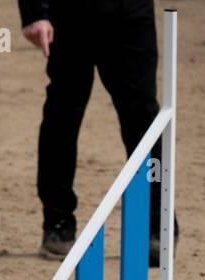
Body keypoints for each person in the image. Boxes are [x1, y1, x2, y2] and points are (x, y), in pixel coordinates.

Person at [20, 0, 174, 263]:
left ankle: (156, 224)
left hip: (131, 13)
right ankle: (57, 223)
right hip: (68, 15)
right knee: (63, 114)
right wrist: (34, 13)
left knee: (143, 118)